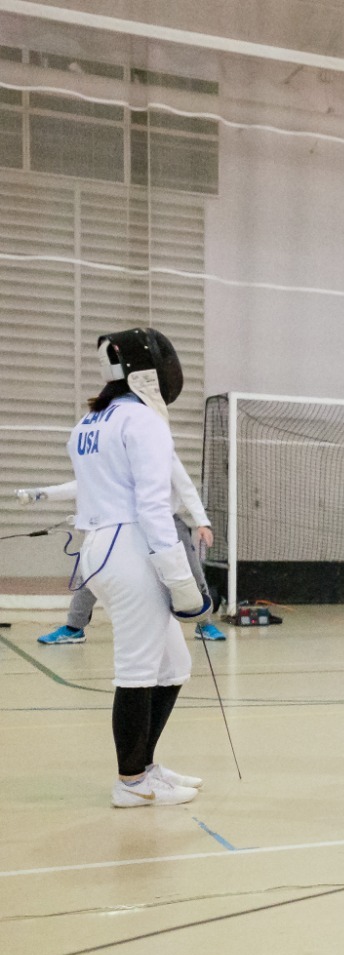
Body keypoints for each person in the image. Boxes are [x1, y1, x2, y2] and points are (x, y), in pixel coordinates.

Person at [65, 328, 212, 807]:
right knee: (138, 669)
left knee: (174, 665)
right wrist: (181, 580)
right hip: (131, 550)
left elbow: (97, 483)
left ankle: (146, 767)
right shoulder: (143, 421)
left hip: (102, 549)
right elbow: (152, 507)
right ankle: (130, 782)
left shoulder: (92, 420)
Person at [20, 451, 226, 644]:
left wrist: (202, 522)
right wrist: (40, 494)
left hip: (165, 521)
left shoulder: (162, 450)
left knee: (191, 571)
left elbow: (185, 486)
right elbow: (85, 485)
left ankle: (204, 623)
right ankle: (74, 627)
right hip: (125, 522)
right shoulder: (114, 455)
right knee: (93, 571)